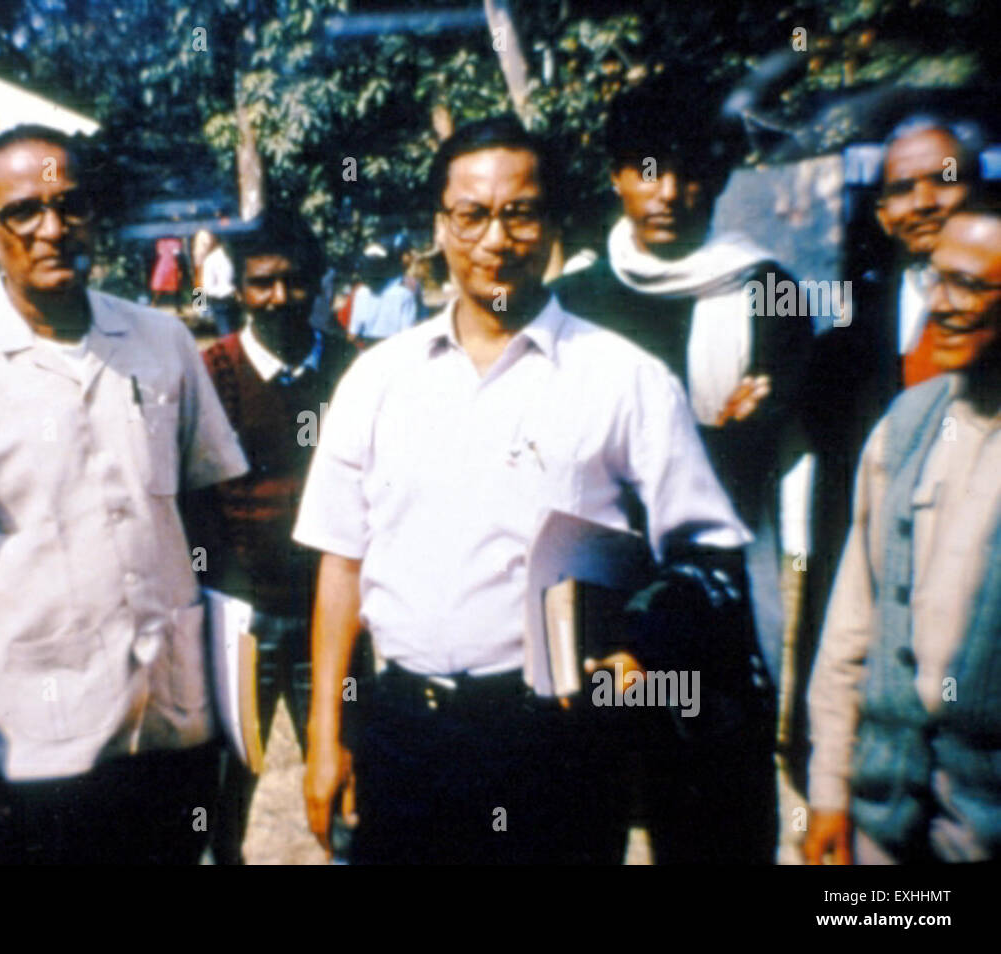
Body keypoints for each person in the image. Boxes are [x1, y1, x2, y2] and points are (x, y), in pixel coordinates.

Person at [295, 116, 763, 865]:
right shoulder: (377, 379)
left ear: (551, 223)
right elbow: (341, 562)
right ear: (440, 226)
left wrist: (645, 650)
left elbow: (706, 545)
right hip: (403, 731)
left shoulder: (624, 377)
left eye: (520, 213)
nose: (495, 239)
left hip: (556, 738)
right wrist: (325, 739)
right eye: (472, 214)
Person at [0, 126, 248, 864]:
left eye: (69, 206)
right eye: (24, 212)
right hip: (35, 749)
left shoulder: (162, 341)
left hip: (171, 724)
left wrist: (232, 707)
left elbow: (207, 519)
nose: (52, 229)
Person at [551, 75, 806, 863]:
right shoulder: (574, 299)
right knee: (578, 815)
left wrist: (690, 446)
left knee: (712, 824)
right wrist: (706, 431)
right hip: (595, 605)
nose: (669, 193)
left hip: (716, 611)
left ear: (719, 177)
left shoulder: (768, 291)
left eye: (691, 171)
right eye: (647, 169)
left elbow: (752, 463)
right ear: (618, 174)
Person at [804, 208, 1001, 864]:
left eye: (968, 286)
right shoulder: (910, 421)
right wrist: (828, 788)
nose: (939, 305)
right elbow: (853, 622)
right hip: (883, 815)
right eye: (934, 279)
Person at [797, 114, 982, 787]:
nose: (925, 201)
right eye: (903, 189)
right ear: (880, 214)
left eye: (945, 179)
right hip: (886, 647)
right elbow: (835, 526)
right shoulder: (841, 351)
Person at [191, 208, 357, 865]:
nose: (278, 298)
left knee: (345, 778)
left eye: (293, 281)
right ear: (239, 288)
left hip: (334, 620)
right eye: (262, 283)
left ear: (318, 283)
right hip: (240, 621)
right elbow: (191, 502)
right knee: (224, 791)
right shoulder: (211, 375)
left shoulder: (354, 371)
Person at [347, 242, 419, 345]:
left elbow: (353, 333)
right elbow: (408, 332)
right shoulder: (404, 294)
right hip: (394, 346)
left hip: (369, 347)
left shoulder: (361, 293)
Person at [199, 233, 239, 335]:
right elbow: (205, 286)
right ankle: (201, 312)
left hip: (232, 299)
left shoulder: (232, 256)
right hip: (219, 299)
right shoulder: (211, 259)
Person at [150, 234, 185, 312]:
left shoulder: (162, 242)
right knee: (197, 284)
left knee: (198, 284)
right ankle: (200, 308)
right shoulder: (173, 242)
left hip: (166, 265)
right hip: (172, 265)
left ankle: (200, 309)